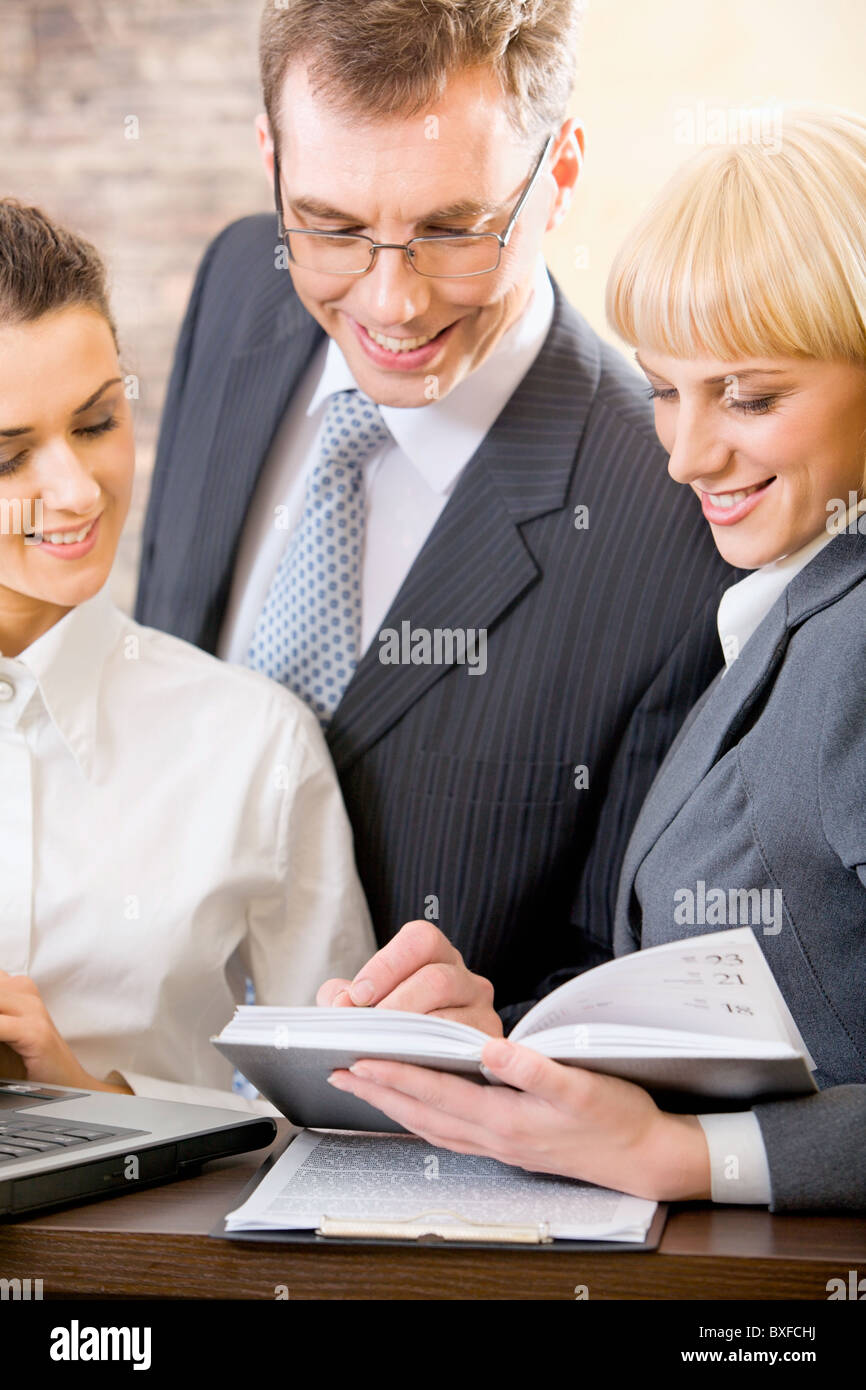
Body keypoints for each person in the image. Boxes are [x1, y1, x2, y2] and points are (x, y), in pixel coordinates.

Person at [134, 0, 734, 1018]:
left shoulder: (676, 519)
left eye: (452, 230)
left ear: (560, 173)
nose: (390, 304)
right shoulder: (240, 281)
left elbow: (633, 968)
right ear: (271, 159)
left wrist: (500, 1026)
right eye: (332, 228)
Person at [322, 106, 866, 1212]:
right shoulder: (793, 607)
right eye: (664, 389)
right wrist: (505, 1046)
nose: (685, 455)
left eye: (749, 397)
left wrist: (681, 1157)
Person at [0, 199, 375, 1111]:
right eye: (8, 457)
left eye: (96, 423)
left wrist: (88, 1097)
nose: (76, 490)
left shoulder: (254, 745)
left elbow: (348, 1118)